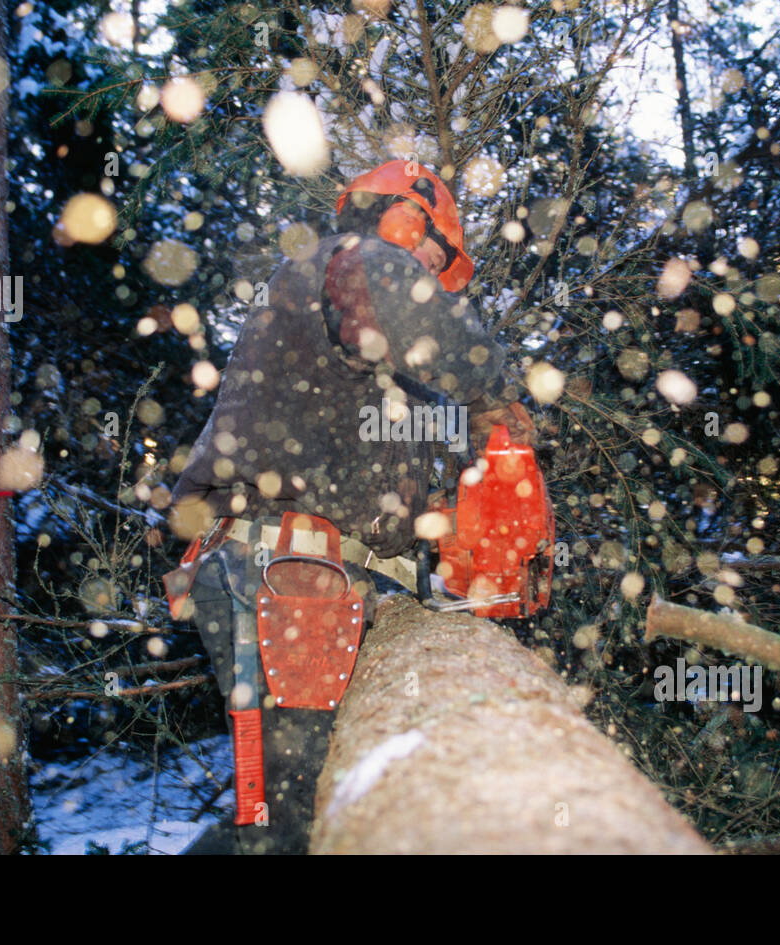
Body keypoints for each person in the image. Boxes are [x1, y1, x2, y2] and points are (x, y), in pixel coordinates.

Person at [170, 161, 534, 854]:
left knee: (315, 803)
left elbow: (427, 431)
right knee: (286, 819)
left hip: (310, 574)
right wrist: (501, 389)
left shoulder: (369, 361)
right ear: (405, 219)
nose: (430, 271)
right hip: (285, 571)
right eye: (432, 253)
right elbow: (427, 324)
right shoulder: (350, 262)